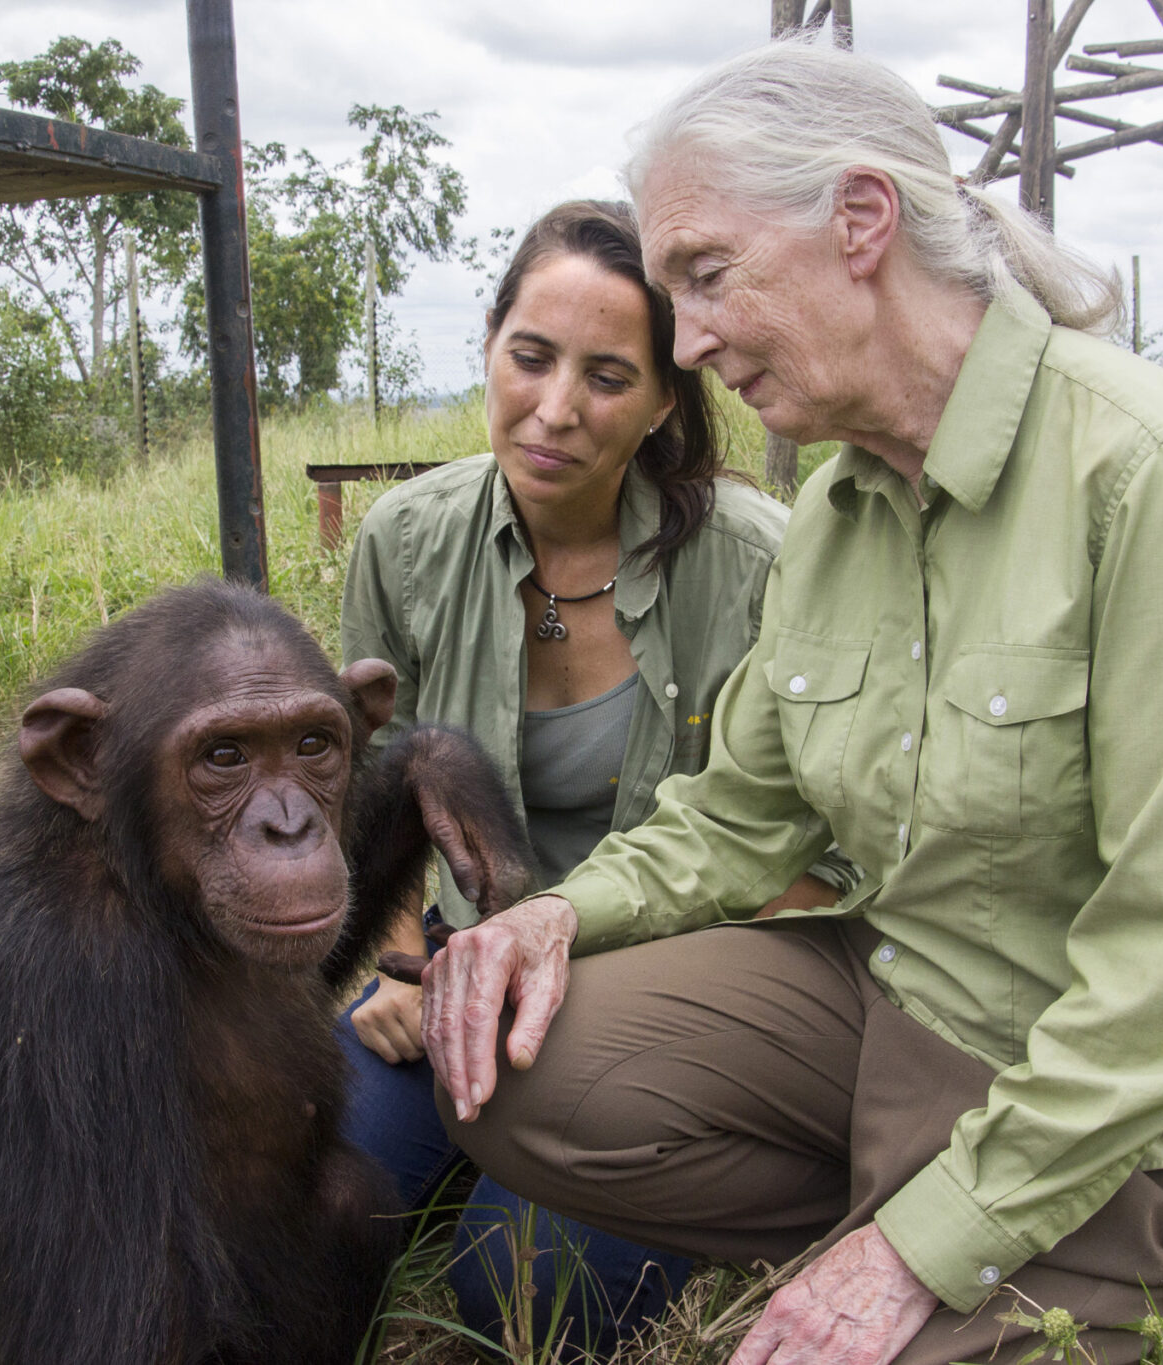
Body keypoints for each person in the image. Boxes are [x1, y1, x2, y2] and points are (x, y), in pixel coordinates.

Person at [419, 42, 1163, 1365]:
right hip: (902, 1010)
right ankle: (956, 1261)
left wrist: (915, 1251)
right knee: (513, 1065)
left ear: (863, 220)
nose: (693, 343)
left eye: (708, 278)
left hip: (1129, 1100)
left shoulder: (1150, 468)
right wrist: (553, 914)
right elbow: (738, 818)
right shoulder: (836, 505)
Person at [334, 199, 858, 1357]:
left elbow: (815, 861)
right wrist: (404, 965)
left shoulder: (760, 562)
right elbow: (375, 798)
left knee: (520, 1288)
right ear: (488, 345)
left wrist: (587, 965)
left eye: (609, 376)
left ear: (668, 396)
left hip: (658, 992)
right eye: (530, 358)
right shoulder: (405, 541)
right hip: (463, 969)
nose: (556, 409)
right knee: (314, 1204)